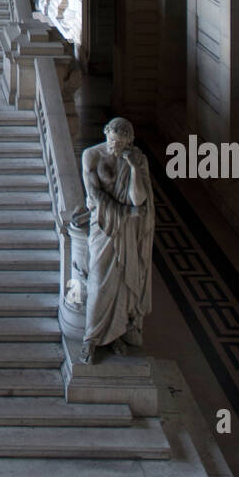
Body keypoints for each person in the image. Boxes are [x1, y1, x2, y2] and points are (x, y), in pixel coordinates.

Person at [78, 117, 155, 364]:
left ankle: (115, 335)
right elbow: (95, 196)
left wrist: (133, 168)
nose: (115, 146)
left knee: (123, 281)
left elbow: (139, 199)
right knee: (99, 282)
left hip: (126, 233)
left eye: (121, 143)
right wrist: (126, 214)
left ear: (129, 142)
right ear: (105, 134)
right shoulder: (92, 155)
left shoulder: (137, 159)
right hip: (103, 227)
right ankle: (91, 339)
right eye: (112, 140)